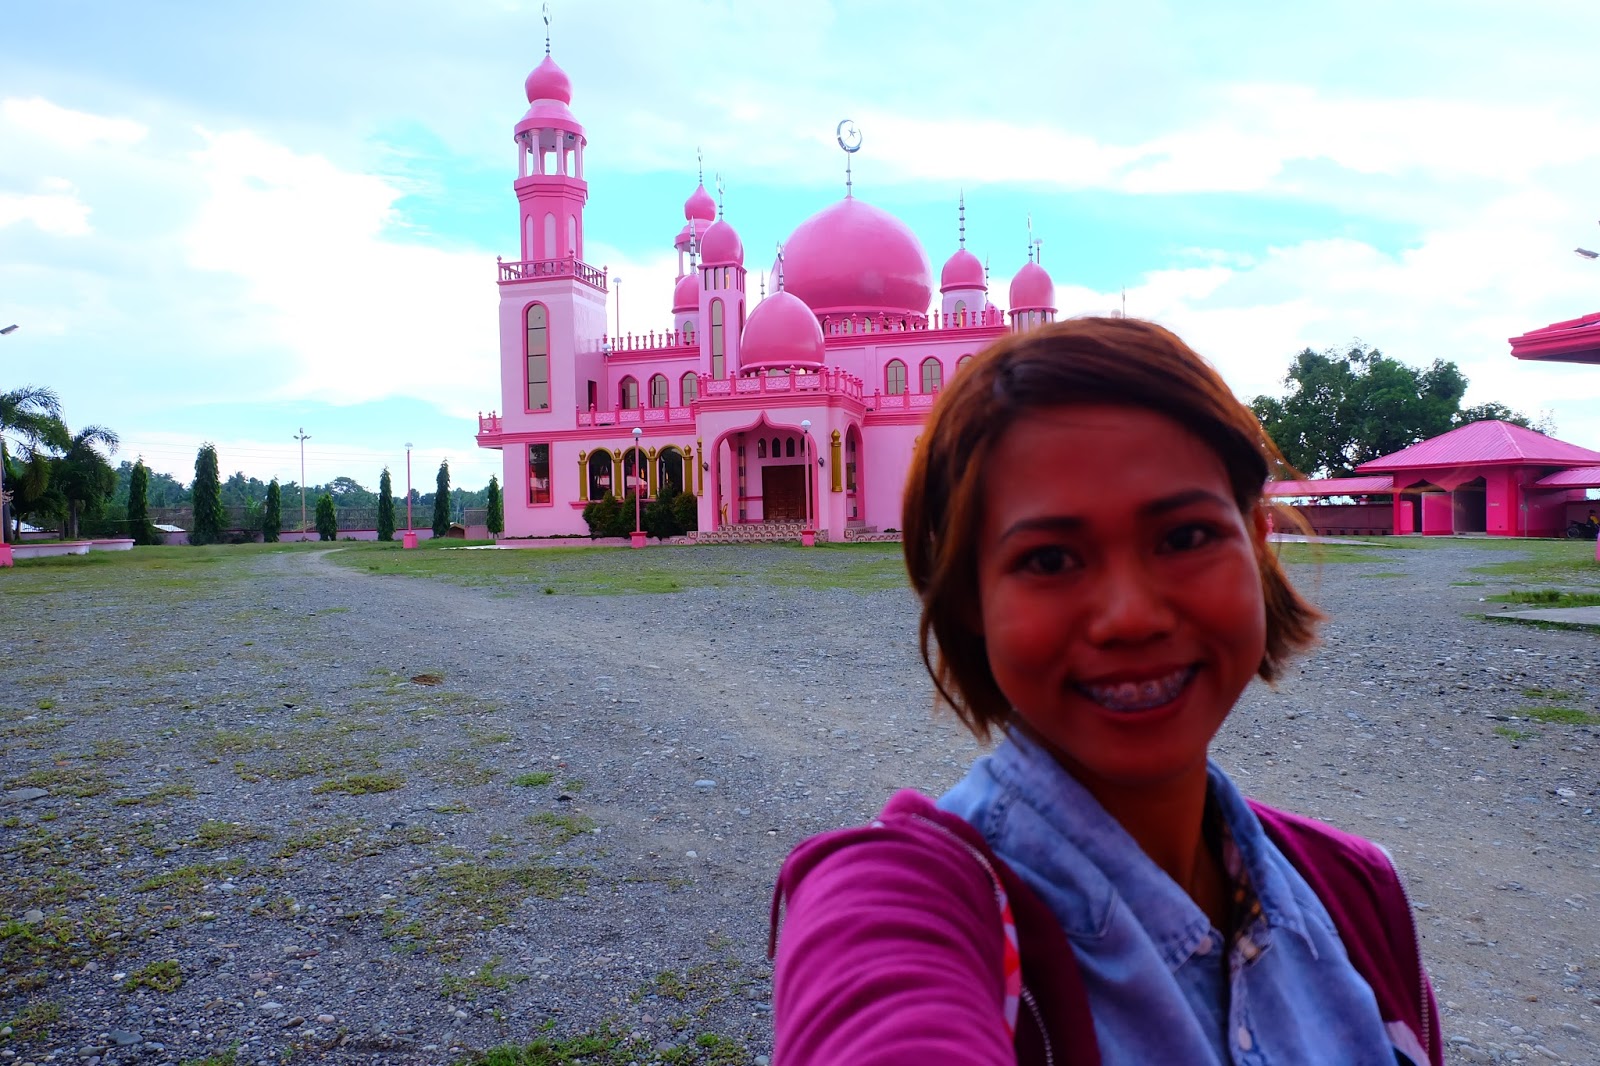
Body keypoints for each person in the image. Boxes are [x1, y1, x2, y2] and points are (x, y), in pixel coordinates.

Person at [769, 318, 1441, 1065]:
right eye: (1050, 559)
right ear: (969, 596)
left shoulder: (1356, 891)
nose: (1130, 618)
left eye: (1185, 537)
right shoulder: (896, 907)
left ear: (1256, 542)